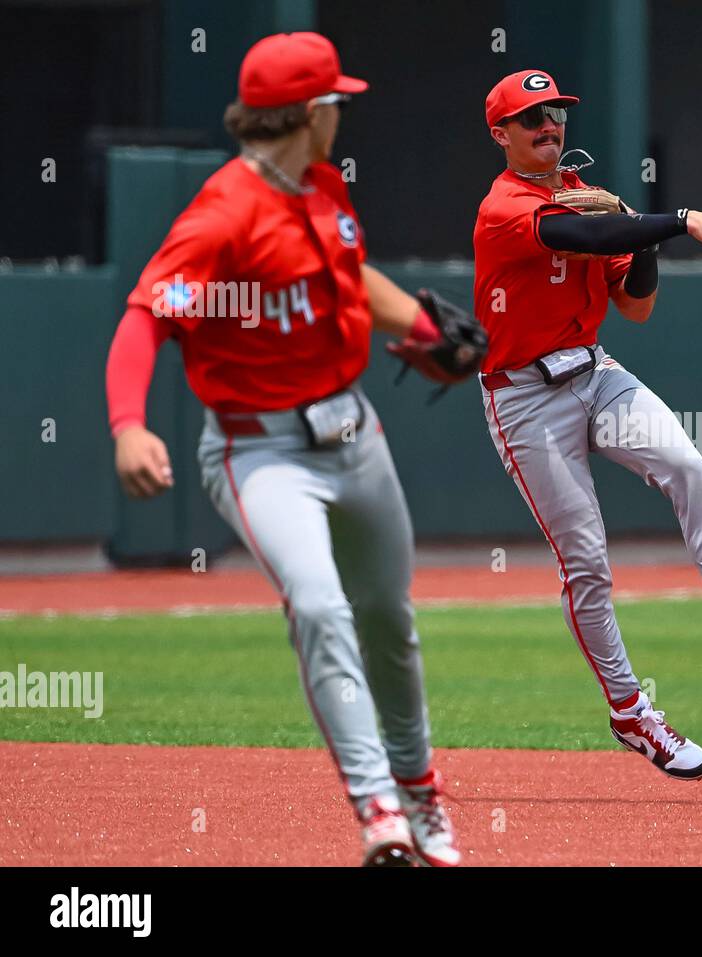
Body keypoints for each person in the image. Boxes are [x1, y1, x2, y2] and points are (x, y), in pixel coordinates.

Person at [104, 32, 478, 866]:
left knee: (389, 619)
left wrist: (422, 330)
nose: (342, 116)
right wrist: (129, 423)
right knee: (318, 604)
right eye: (336, 103)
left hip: (353, 432)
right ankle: (378, 811)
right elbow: (144, 316)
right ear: (311, 113)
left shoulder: (321, 185)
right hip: (259, 450)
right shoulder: (221, 215)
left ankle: (420, 795)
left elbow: (352, 280)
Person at [472, 70, 702, 781]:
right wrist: (677, 220)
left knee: (687, 464)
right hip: (523, 396)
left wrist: (641, 236)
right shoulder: (505, 206)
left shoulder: (588, 201)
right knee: (586, 562)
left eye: (555, 113)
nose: (549, 126)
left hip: (594, 370)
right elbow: (573, 232)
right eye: (530, 119)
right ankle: (630, 712)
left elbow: (636, 303)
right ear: (502, 135)